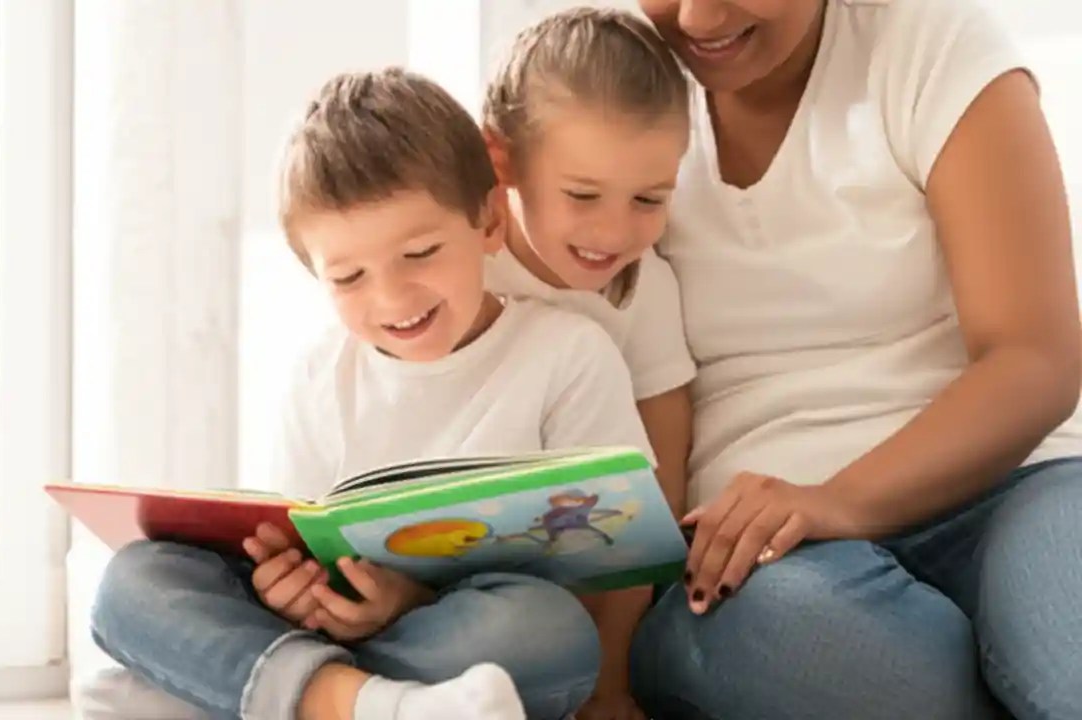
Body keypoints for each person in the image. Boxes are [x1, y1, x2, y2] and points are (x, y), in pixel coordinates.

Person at [91, 67, 663, 720]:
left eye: (420, 253)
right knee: (134, 580)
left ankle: (241, 692)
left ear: (489, 221)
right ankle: (358, 704)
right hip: (332, 637)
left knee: (548, 632)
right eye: (349, 277)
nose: (392, 298)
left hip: (458, 634)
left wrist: (408, 602)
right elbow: (299, 537)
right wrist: (290, 589)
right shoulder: (319, 373)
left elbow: (620, 560)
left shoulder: (568, 355)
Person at [624, 0, 1082, 718]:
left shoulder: (929, 45)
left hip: (1012, 485)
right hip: (766, 554)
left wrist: (835, 501)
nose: (699, 17)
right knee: (865, 671)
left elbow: (1035, 360)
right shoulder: (611, 79)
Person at [478, 9, 697, 718]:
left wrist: (612, 679)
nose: (613, 231)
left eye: (648, 200)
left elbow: (649, 501)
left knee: (542, 638)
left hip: (560, 596)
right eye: (582, 195)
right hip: (433, 569)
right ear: (501, 162)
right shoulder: (459, 263)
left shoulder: (645, 290)